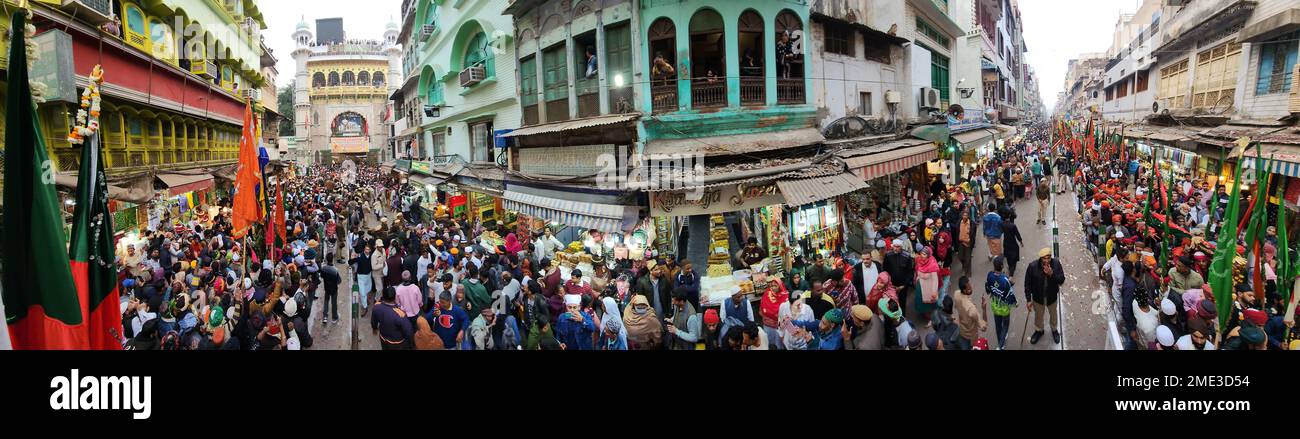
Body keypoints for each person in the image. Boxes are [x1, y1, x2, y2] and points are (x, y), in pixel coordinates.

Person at [1024, 248, 1066, 345]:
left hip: (1052, 297)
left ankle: (1054, 330)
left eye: (1048, 258)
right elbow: (1027, 284)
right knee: (1038, 316)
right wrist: (1028, 299)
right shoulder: (1032, 266)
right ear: (1040, 258)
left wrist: (1052, 274)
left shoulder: (1056, 264)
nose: (1046, 260)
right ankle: (1039, 330)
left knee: (1053, 315)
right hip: (1038, 298)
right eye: (1044, 258)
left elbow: (1061, 280)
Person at [986, 256, 1017, 350]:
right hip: (1004, 308)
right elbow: (1009, 295)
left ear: (994, 266)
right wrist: (1015, 303)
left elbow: (988, 287)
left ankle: (1001, 341)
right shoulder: (1005, 280)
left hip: (995, 305)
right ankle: (1000, 345)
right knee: (1005, 325)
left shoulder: (990, 275)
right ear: (1002, 266)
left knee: (998, 325)